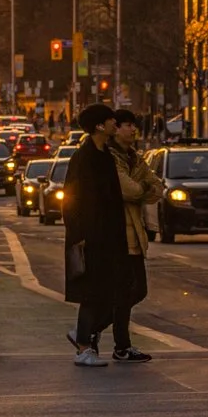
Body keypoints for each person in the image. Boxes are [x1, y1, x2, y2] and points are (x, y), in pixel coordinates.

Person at [62, 104, 128, 366]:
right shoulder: (83, 158)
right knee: (91, 294)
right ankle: (83, 348)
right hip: (89, 238)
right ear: (100, 126)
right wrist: (79, 235)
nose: (115, 124)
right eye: (111, 120)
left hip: (109, 237)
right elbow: (71, 199)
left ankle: (83, 335)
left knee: (111, 292)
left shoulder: (106, 156)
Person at [108, 110, 165, 362]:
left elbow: (157, 188)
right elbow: (129, 190)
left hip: (134, 236)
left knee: (137, 290)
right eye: (128, 125)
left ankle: (93, 331)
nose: (133, 129)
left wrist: (141, 188)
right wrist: (142, 187)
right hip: (118, 236)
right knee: (124, 291)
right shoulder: (111, 158)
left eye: (134, 125)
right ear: (115, 128)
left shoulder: (134, 157)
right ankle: (118, 343)